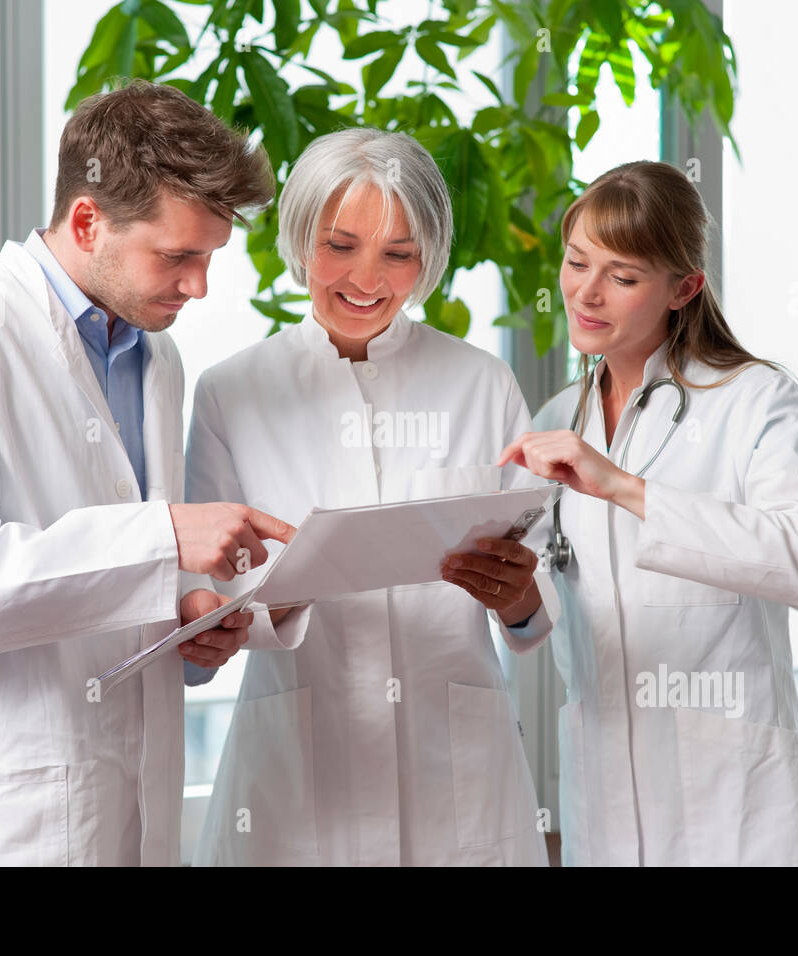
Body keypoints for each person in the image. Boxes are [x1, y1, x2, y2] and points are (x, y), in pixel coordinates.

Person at [0, 81, 294, 866]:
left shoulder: (157, 357)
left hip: (127, 808)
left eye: (209, 257)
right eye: (177, 256)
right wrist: (158, 539)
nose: (199, 286)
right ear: (87, 220)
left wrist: (181, 614)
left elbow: (100, 573)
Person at [187, 128, 558, 866]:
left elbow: (540, 599)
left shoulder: (480, 384)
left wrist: (518, 598)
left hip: (458, 767)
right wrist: (270, 602)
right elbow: (204, 608)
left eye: (399, 252)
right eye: (340, 244)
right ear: (299, 242)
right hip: (297, 768)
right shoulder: (234, 392)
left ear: (429, 259)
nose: (367, 276)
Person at [498, 160, 798, 866]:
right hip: (605, 796)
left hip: (734, 796)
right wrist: (512, 602)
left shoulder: (757, 402)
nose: (586, 293)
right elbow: (547, 622)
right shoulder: (559, 416)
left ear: (683, 287)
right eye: (576, 262)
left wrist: (623, 486)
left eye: (623, 277)